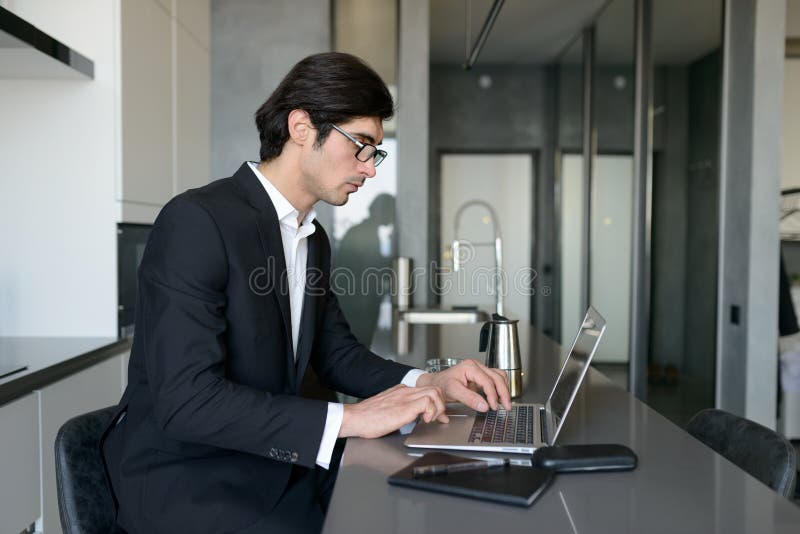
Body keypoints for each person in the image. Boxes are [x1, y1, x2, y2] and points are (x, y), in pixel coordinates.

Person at [101, 52, 511, 534]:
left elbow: (335, 353)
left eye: (374, 151)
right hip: (193, 482)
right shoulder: (198, 221)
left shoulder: (311, 239)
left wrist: (427, 383)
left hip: (276, 464)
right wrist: (349, 418)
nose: (370, 168)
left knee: (427, 496)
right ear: (300, 127)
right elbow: (187, 401)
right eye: (360, 144)